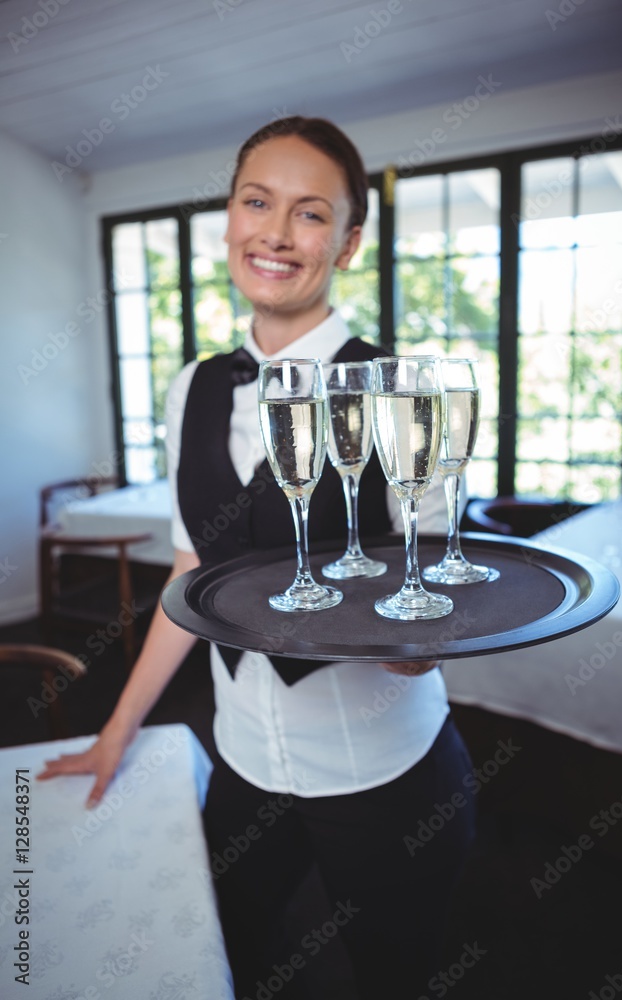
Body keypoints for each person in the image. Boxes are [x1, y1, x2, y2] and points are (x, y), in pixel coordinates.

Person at [38, 116, 475, 1000]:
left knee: (398, 975)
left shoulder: (399, 390)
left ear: (348, 244)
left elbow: (434, 603)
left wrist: (420, 635)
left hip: (383, 768)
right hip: (240, 757)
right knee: (232, 949)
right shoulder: (190, 385)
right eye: (256, 202)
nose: (276, 232)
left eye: (311, 215)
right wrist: (116, 731)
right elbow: (190, 572)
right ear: (230, 220)